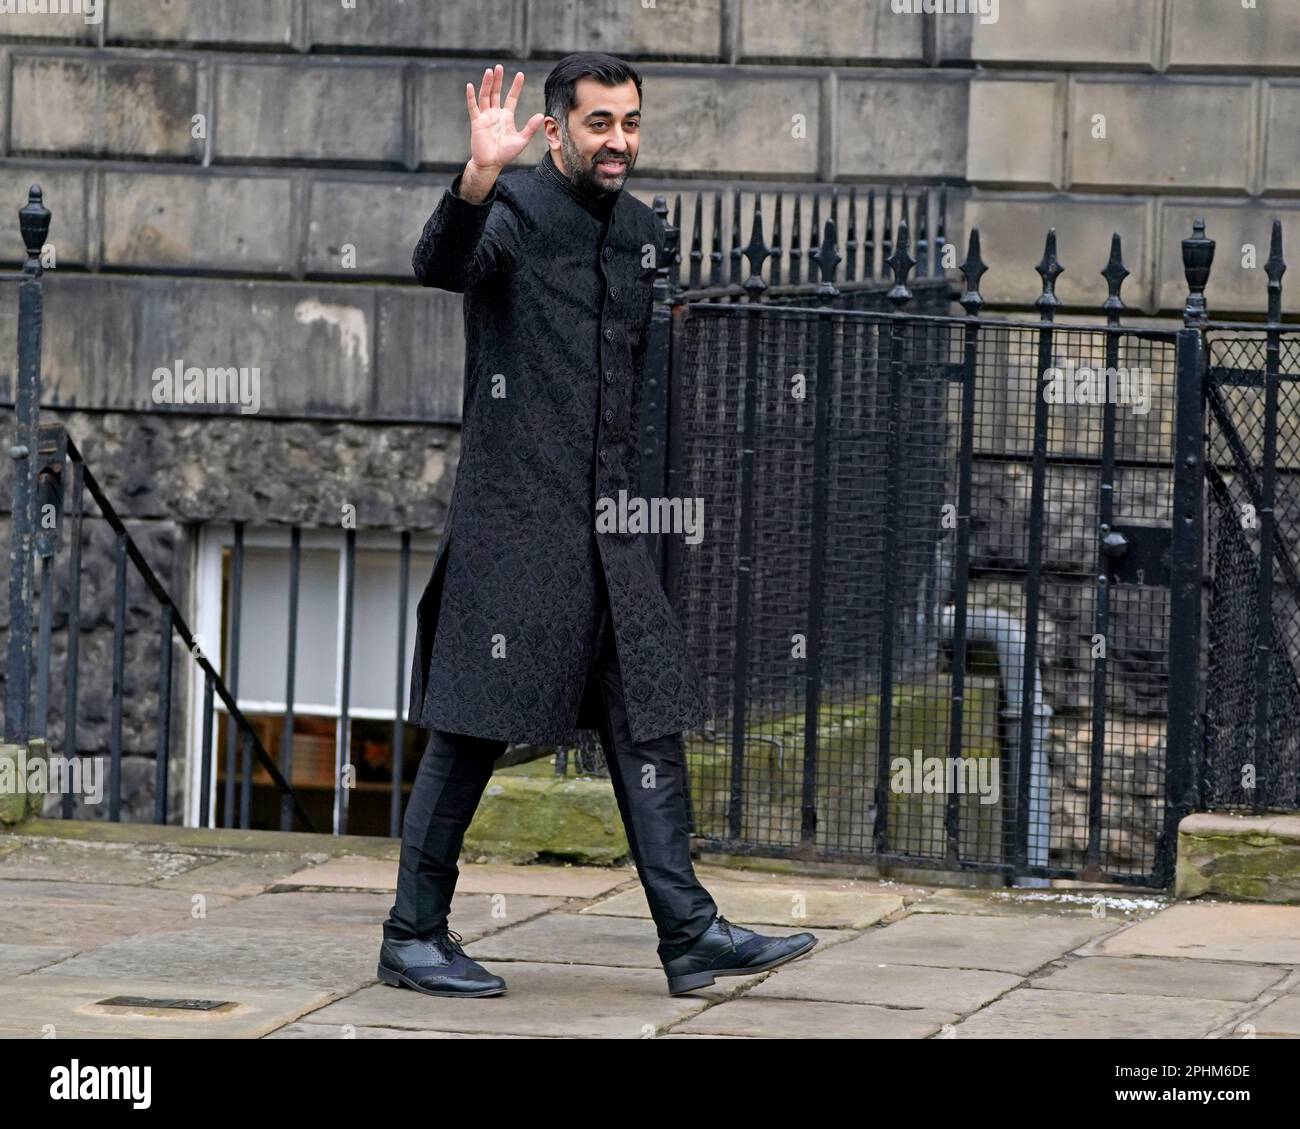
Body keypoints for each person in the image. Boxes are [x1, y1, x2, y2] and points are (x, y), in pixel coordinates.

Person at [378, 53, 816, 998]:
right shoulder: (517, 212)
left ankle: (690, 933)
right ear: (556, 129)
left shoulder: (644, 234)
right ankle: (412, 933)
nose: (618, 142)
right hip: (519, 522)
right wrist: (477, 178)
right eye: (599, 125)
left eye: (630, 124)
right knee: (472, 726)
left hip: (612, 529)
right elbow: (443, 265)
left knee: (644, 718)